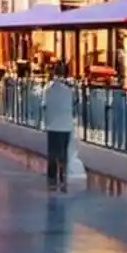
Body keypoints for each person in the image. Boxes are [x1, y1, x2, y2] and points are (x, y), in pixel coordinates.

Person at [41, 62, 75, 190]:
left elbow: (44, 106)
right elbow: (73, 105)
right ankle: (63, 177)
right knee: (63, 154)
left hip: (53, 126)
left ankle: (52, 180)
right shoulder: (69, 90)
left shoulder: (48, 89)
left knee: (52, 154)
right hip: (66, 126)